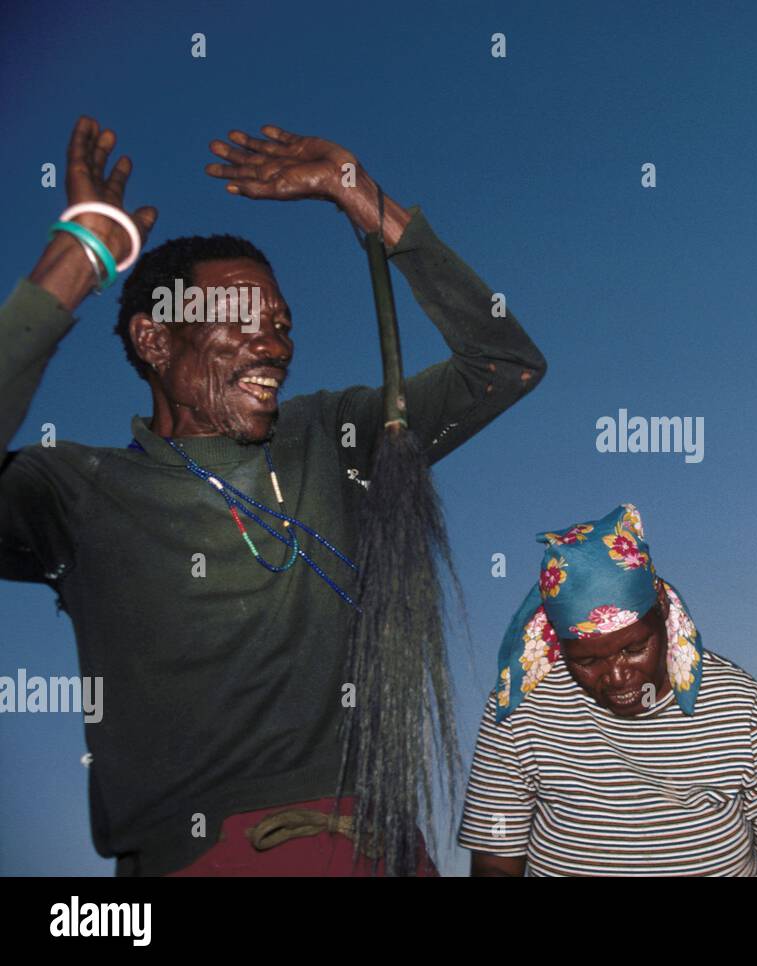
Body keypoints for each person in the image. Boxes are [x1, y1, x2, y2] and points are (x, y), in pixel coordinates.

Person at [0, 116, 546, 875]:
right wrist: (82, 251)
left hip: (385, 848)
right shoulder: (78, 491)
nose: (273, 344)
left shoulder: (335, 436)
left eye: (282, 325)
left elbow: (504, 363)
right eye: (239, 322)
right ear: (155, 341)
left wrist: (363, 197)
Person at [458, 503, 757, 876]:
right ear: (559, 641)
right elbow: (496, 863)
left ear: (663, 608)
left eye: (634, 649)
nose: (617, 676)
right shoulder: (521, 712)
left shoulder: (742, 710)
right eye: (587, 662)